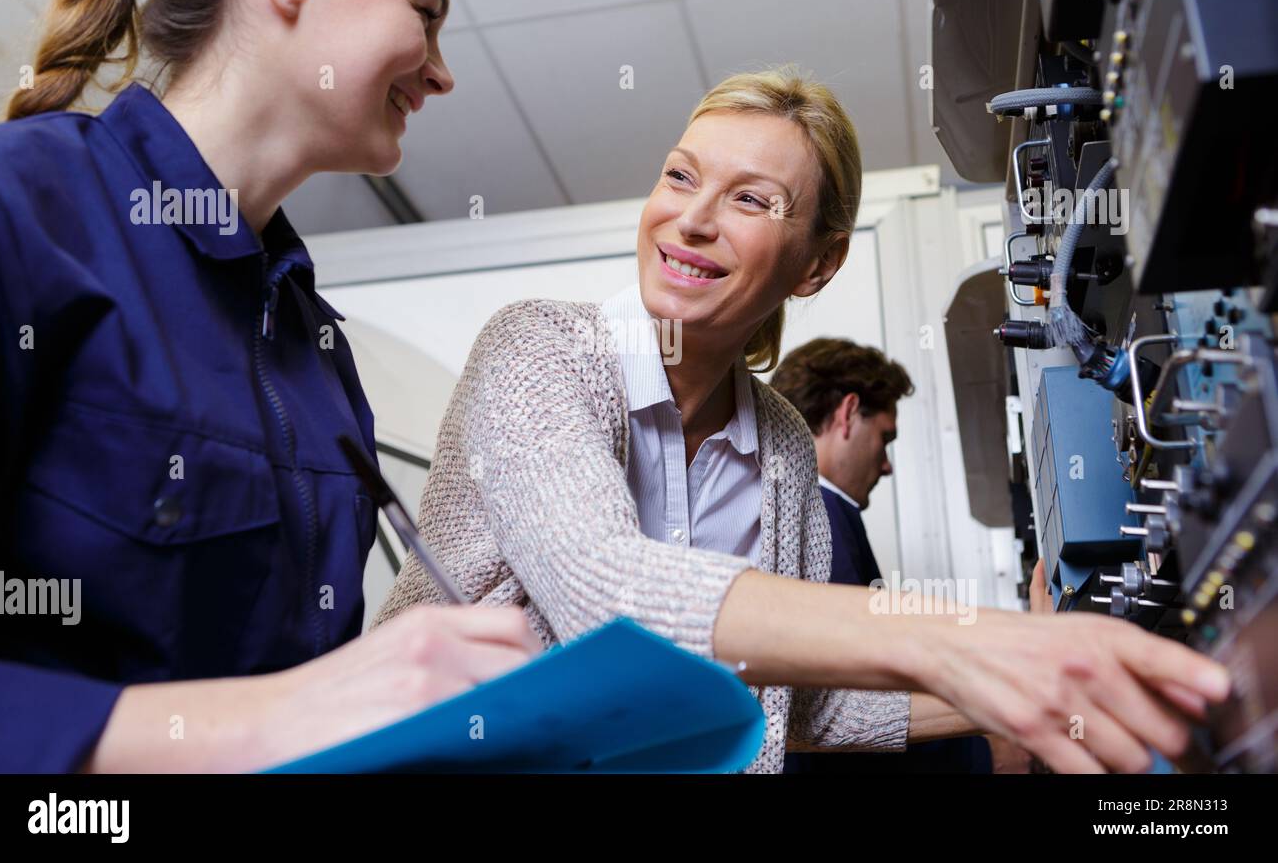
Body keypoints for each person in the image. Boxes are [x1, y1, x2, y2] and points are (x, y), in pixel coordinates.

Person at [374, 65, 1231, 774]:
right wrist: (966, 640)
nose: (693, 220)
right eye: (681, 175)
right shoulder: (540, 350)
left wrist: (1041, 687)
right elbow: (606, 592)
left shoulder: (783, 447)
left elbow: (803, 704)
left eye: (751, 202)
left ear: (818, 264)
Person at [0, 0, 542, 773]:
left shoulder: (318, 353)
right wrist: (268, 722)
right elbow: (289, 712)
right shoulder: (14, 205)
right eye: (425, 15)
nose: (440, 73)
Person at [772, 337, 994, 773]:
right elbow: (851, 713)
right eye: (885, 437)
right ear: (848, 413)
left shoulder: (806, 511)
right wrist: (984, 750)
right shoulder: (821, 520)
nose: (887, 464)